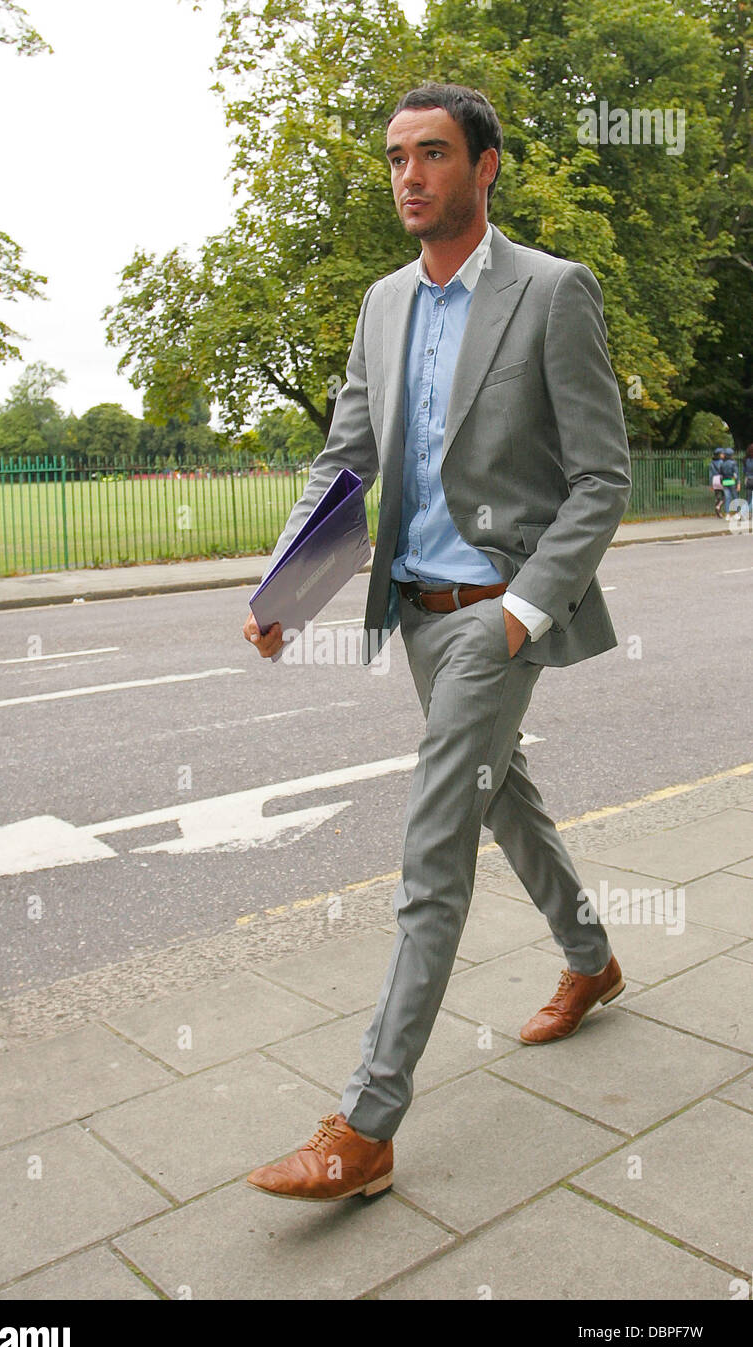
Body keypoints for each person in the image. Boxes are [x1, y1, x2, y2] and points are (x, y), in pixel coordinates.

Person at [242, 83, 631, 1202]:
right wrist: (287, 586)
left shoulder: (554, 292)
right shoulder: (380, 304)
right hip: (413, 614)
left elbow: (602, 476)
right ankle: (593, 959)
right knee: (502, 791)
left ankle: (366, 1125)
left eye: (433, 154)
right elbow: (345, 462)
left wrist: (524, 611)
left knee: (432, 851)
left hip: (495, 619)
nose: (410, 174)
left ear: (486, 166)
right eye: (397, 156)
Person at [710, 447, 727, 517]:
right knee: (725, 495)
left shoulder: (711, 463)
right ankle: (718, 507)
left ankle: (718, 512)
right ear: (719, 454)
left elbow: (710, 474)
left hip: (714, 480)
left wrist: (711, 484)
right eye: (722, 453)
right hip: (721, 479)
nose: (723, 454)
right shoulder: (722, 462)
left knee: (717, 496)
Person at [743, 444, 753, 512]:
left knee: (748, 498)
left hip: (748, 479)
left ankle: (743, 512)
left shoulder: (746, 460)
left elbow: (744, 471)